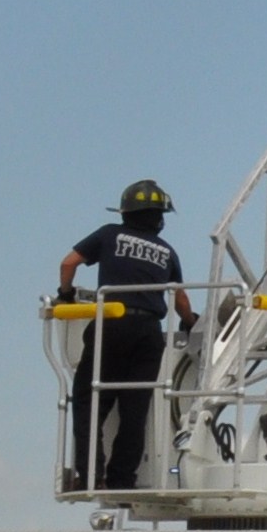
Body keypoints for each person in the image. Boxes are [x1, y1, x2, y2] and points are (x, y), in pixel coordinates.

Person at [58, 180, 194, 491]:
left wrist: (65, 296)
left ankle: (90, 476)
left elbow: (68, 264)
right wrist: (190, 322)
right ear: (159, 218)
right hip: (148, 335)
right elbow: (181, 300)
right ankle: (123, 479)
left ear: (126, 213)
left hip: (112, 324)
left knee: (88, 401)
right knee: (135, 410)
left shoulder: (108, 234)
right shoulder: (167, 252)